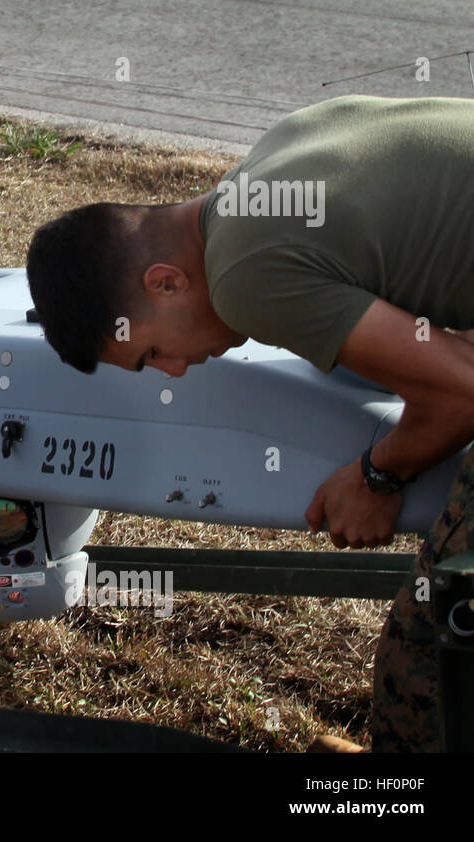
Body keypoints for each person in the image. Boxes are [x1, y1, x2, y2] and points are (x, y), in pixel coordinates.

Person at [24, 95, 474, 752]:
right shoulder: (270, 163)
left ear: (166, 282)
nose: (175, 371)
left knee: (434, 653)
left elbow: (463, 393)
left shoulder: (245, 276)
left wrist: (378, 474)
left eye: (151, 352)